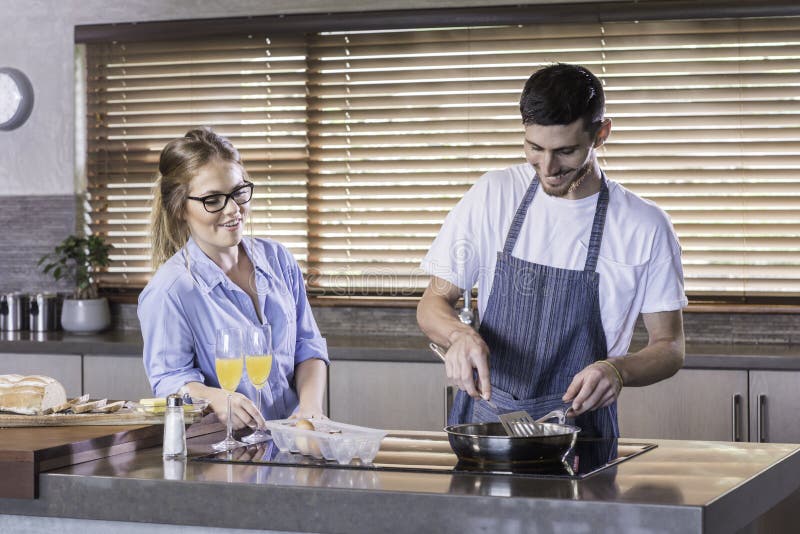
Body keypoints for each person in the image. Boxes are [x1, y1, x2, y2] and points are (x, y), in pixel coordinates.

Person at [417, 63, 687, 438]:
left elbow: (670, 346)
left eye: (566, 151)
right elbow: (433, 304)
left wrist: (617, 370)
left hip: (579, 431)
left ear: (601, 134)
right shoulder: (493, 195)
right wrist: (458, 336)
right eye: (534, 148)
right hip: (486, 423)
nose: (547, 167)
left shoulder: (644, 225)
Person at [138, 127, 328, 431]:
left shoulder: (279, 259)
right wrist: (214, 397)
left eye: (238, 192)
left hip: (293, 443)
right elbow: (169, 381)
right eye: (213, 199)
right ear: (179, 208)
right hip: (224, 452)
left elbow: (308, 345)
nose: (233, 209)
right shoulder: (170, 291)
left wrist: (310, 409)